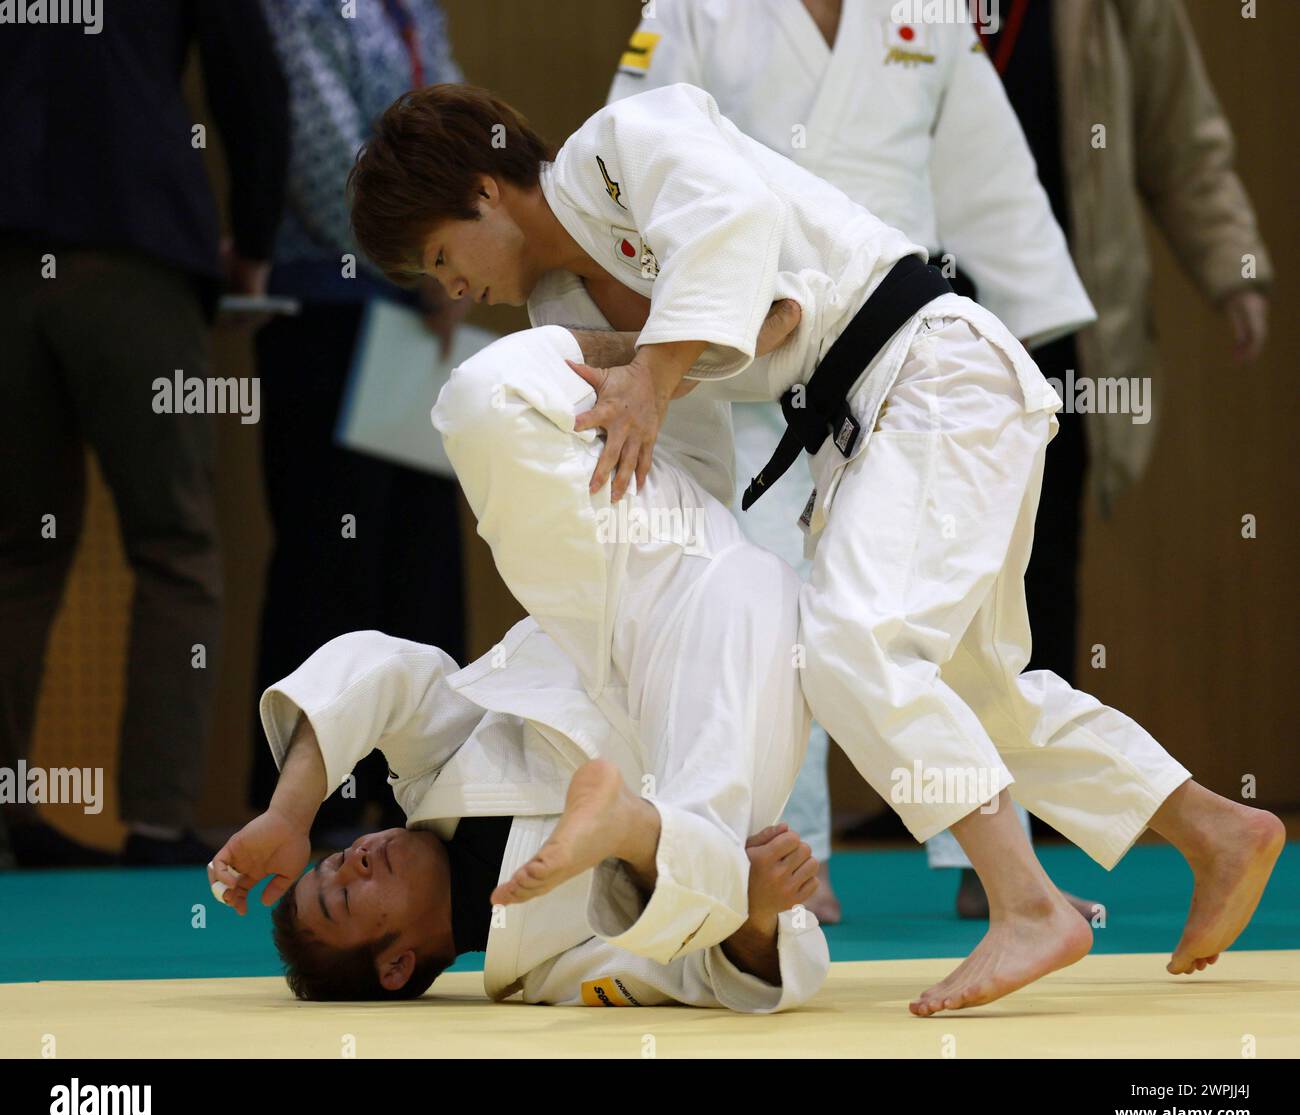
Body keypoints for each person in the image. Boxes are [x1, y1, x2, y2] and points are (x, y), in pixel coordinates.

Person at [345, 82, 1284, 1013]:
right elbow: (697, 429)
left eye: (439, 257)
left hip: (930, 374)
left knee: (852, 649)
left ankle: (1027, 904)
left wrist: (667, 364)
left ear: (480, 190)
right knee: (971, 694)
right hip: (865, 433)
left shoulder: (623, 142)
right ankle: (1214, 828)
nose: (453, 290)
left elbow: (740, 225)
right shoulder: (559, 315)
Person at [606, 0, 1102, 921]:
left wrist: (1031, 315)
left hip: (900, 336)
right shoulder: (693, 10)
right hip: (753, 339)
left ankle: (986, 864)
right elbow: (636, 160)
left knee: (940, 611)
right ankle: (793, 859)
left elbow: (983, 167)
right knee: (764, 603)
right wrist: (658, 339)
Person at [210, 323, 831, 1010]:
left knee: (508, 387)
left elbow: (379, 669)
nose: (352, 861)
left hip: (657, 560)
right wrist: (759, 918)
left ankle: (708, 316)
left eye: (332, 864)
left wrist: (291, 814)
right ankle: (632, 827)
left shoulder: (431, 774)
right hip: (737, 667)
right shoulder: (544, 967)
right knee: (710, 831)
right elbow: (695, 980)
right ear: (395, 967)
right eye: (345, 898)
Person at [0, 0, 289, 867]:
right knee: (175, 544)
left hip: (4, 258)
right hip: (137, 243)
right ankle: (159, 821)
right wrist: (254, 240)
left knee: (15, 552)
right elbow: (253, 82)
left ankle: (9, 816)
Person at [249, 0, 470, 848]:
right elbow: (319, 158)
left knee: (421, 556)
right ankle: (315, 803)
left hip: (421, 315)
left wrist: (443, 263)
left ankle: (420, 792)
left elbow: (447, 135)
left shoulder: (414, 7)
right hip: (331, 307)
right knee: (328, 551)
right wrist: (425, 255)